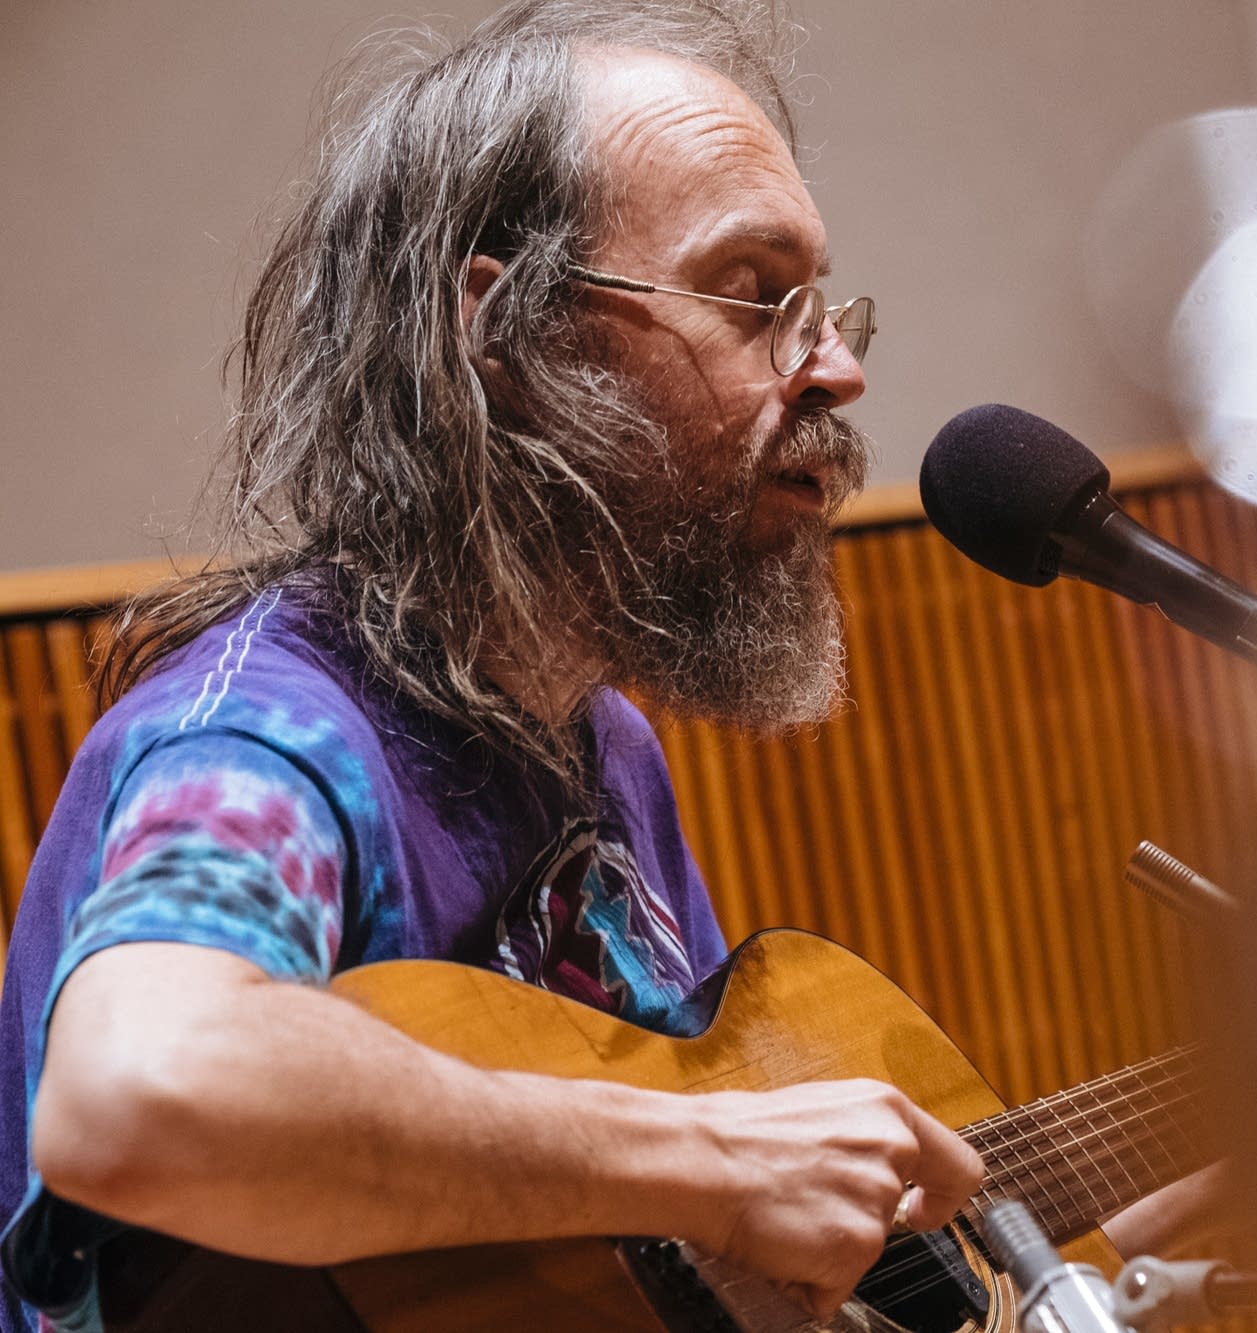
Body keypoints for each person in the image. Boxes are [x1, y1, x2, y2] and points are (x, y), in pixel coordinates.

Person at [0, 4, 999, 1329]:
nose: (840, 368)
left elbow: (686, 1267)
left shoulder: (599, 739)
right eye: (756, 297)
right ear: (507, 336)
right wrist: (718, 1165)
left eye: (825, 305)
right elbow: (137, 1092)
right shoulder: (267, 742)